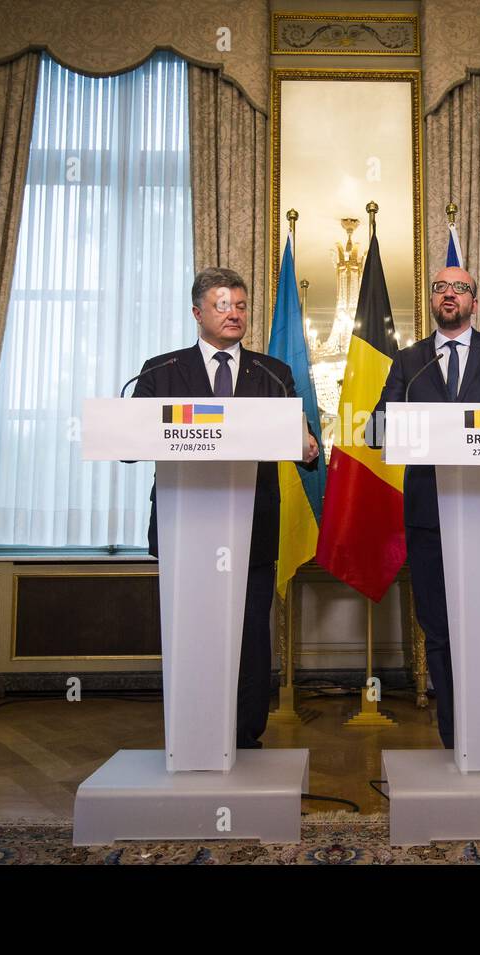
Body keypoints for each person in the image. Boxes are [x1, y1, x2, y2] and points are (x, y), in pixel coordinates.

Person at [130, 267, 320, 749]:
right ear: (198, 313)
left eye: (240, 305)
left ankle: (244, 735)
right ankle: (191, 732)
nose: (234, 313)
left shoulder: (273, 373)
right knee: (191, 631)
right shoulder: (160, 371)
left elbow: (299, 442)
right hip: (185, 525)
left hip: (251, 527)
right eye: (222, 305)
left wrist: (308, 448)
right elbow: (130, 440)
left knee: (250, 632)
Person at [368, 266, 480, 749]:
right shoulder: (410, 361)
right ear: (432, 301)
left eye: (460, 288)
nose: (449, 294)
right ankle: (454, 734)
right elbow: (377, 430)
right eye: (441, 287)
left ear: (474, 304)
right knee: (440, 626)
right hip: (430, 516)